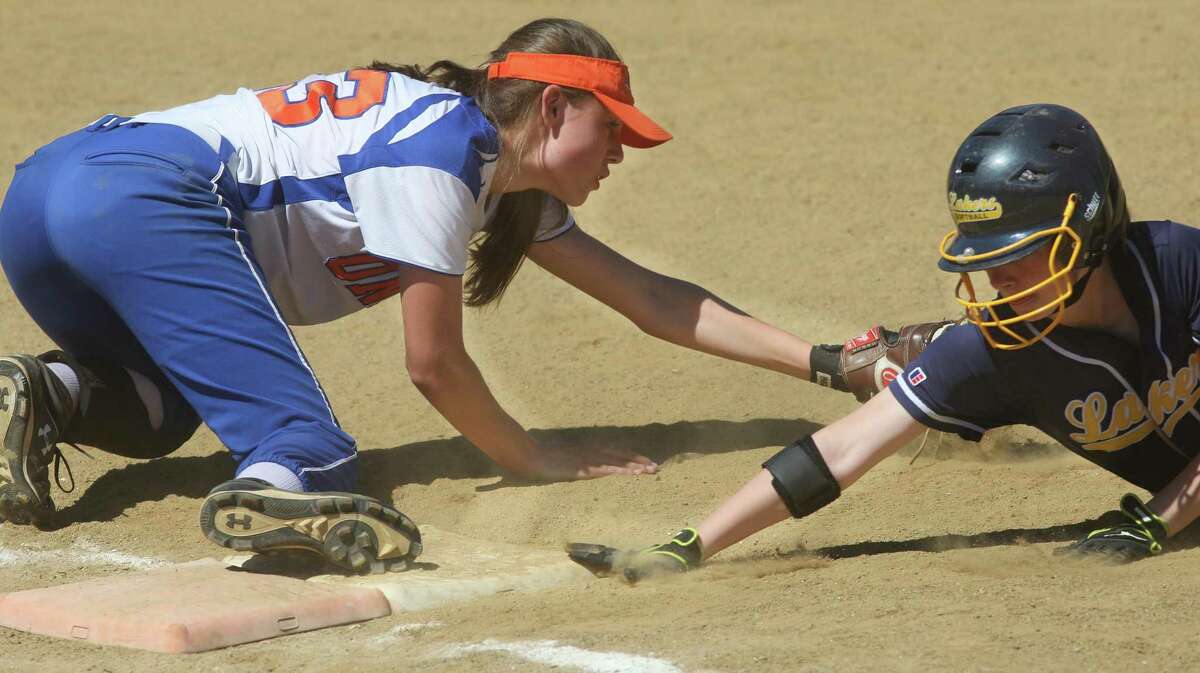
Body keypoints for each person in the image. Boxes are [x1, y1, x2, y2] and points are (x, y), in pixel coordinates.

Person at [0, 18, 934, 574]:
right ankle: (277, 490)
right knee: (312, 451)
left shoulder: (487, 173)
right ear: (553, 109)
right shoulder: (443, 149)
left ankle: (44, 393)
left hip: (43, 197)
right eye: (611, 131)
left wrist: (826, 361)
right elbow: (433, 365)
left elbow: (654, 298)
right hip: (137, 194)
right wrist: (532, 454)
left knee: (160, 411)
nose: (619, 155)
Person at [569, 103, 1200, 581]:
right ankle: (913, 350)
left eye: (1019, 254)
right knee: (941, 359)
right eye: (983, 258)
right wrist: (690, 544)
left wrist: (1159, 519)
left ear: (1086, 228)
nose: (995, 279)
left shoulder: (1180, 268)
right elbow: (840, 451)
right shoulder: (997, 347)